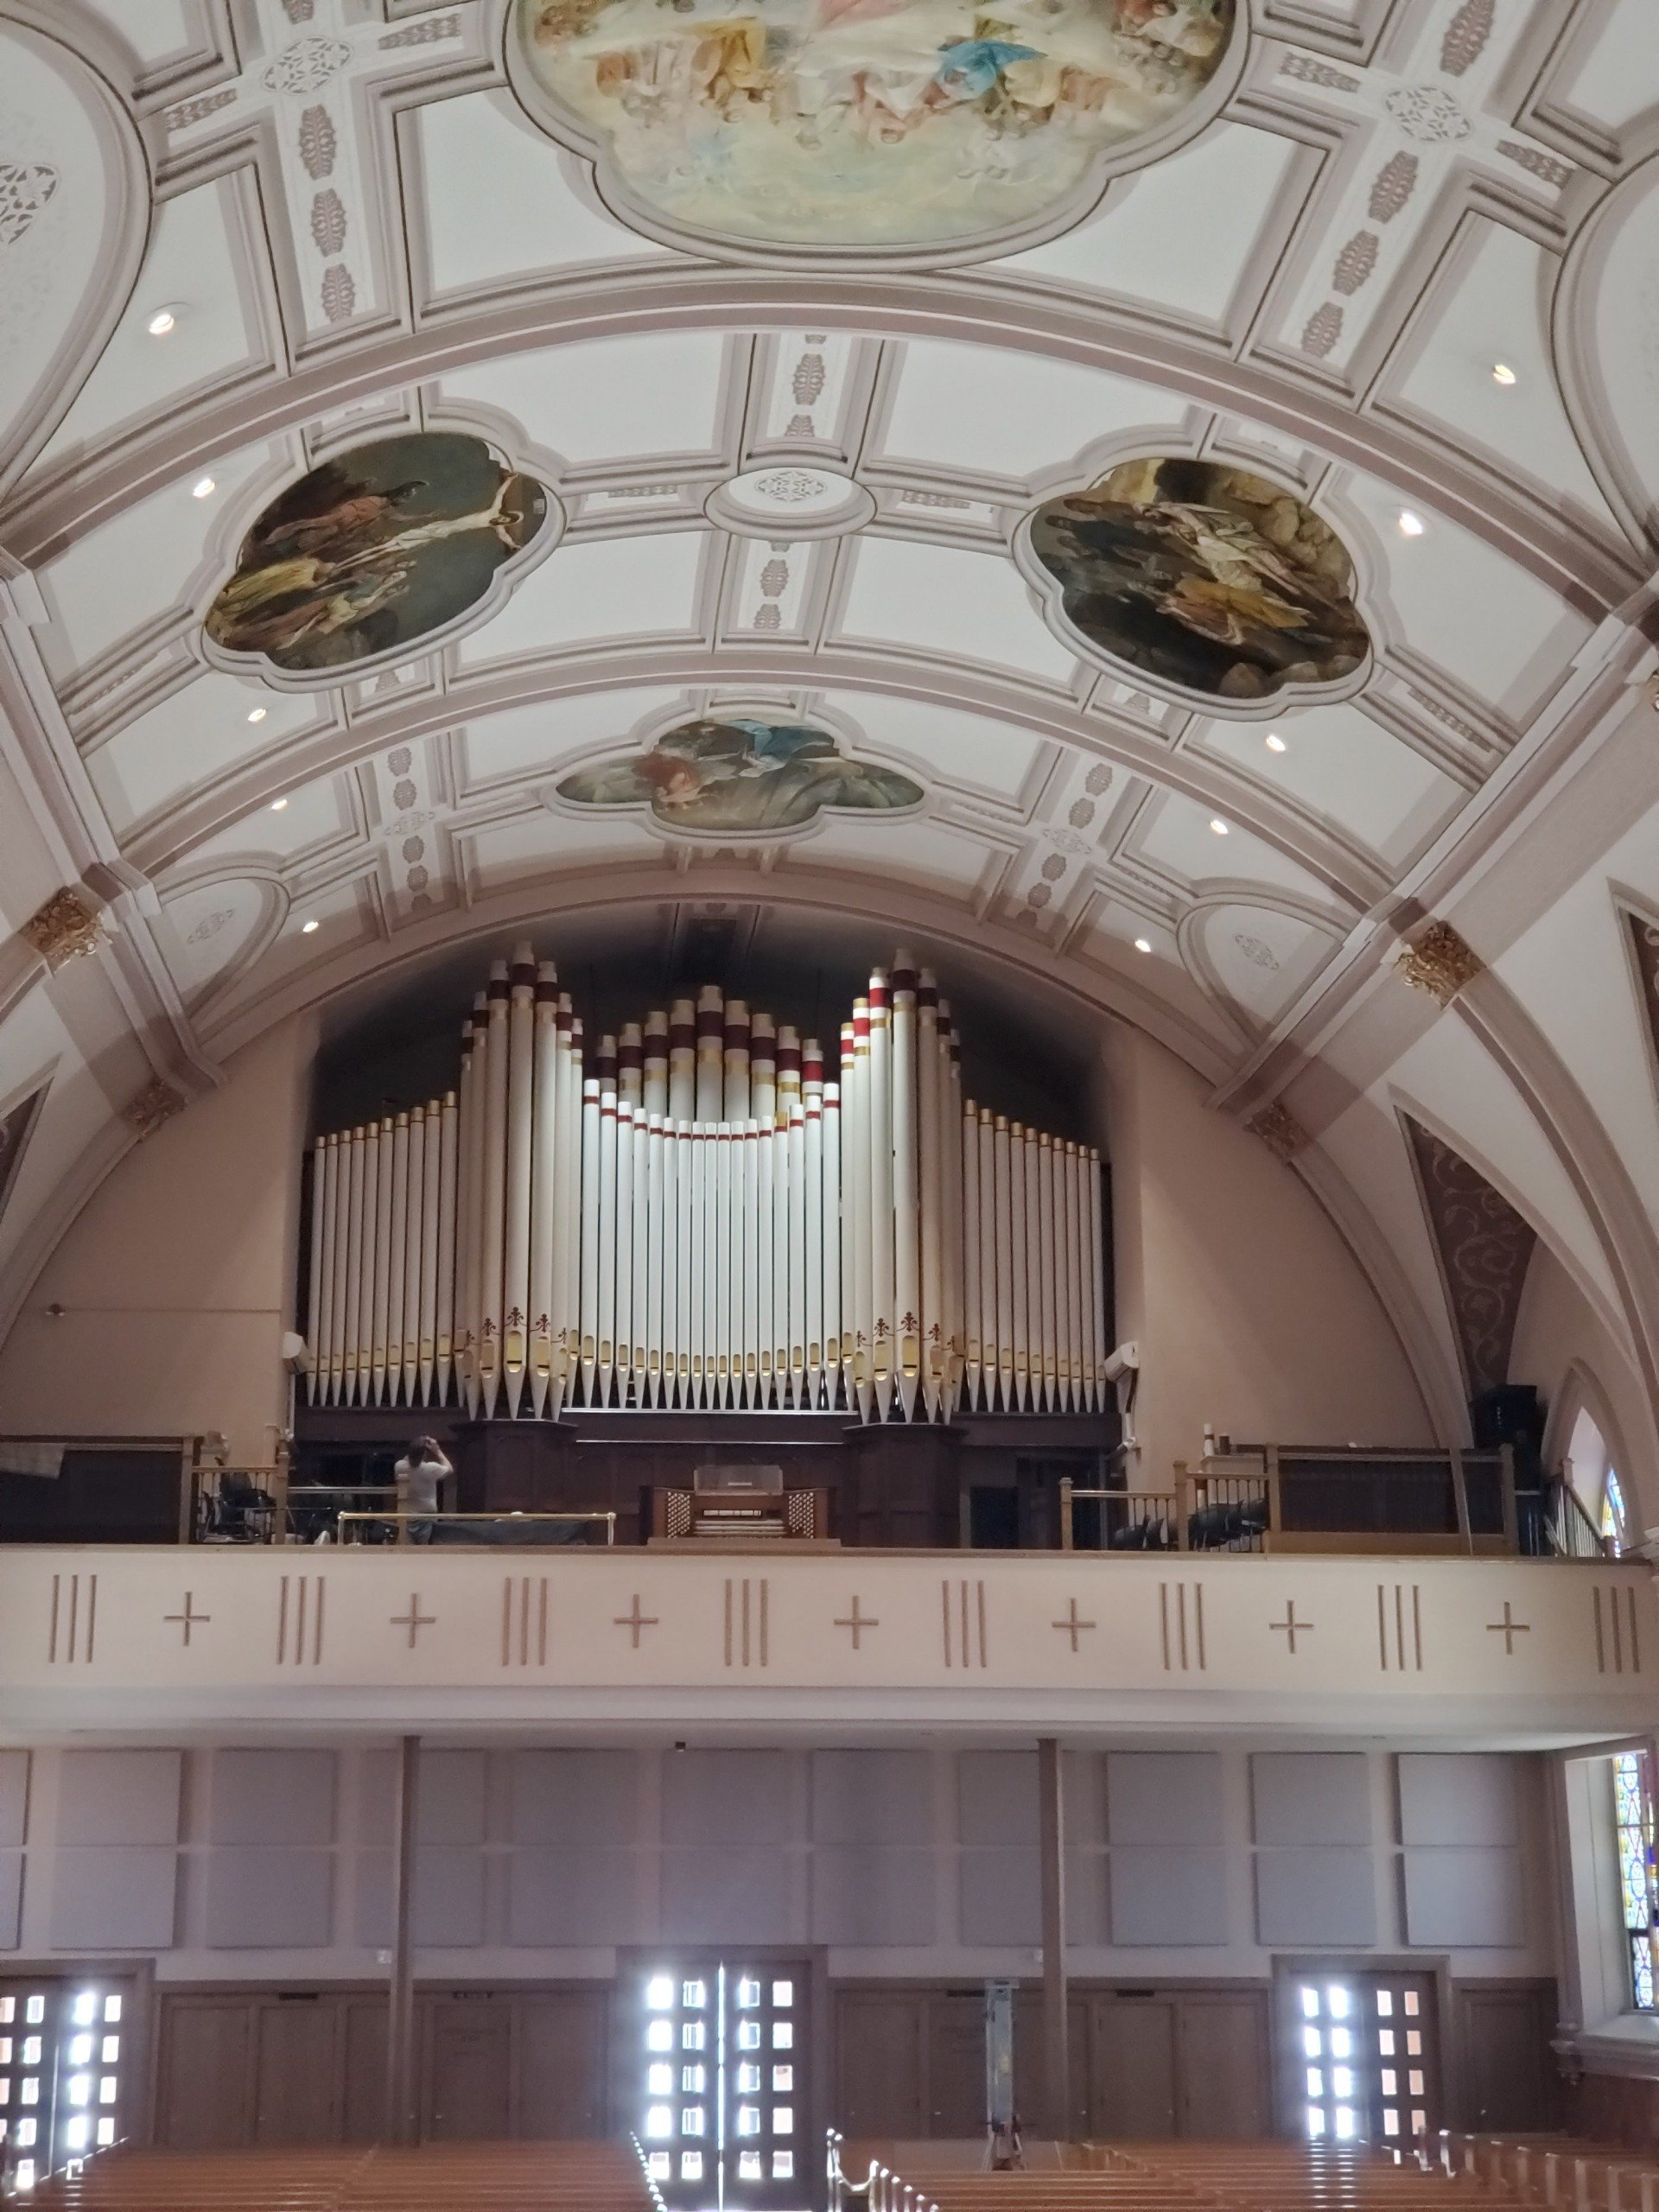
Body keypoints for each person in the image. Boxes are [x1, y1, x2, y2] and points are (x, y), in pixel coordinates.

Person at [393, 1436, 453, 1544]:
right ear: (424, 1455)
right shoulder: (430, 1468)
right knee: (425, 1552)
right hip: (427, 1517)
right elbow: (449, 1469)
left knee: (407, 1553)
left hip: (407, 1517)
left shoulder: (399, 1466)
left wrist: (418, 1444)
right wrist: (437, 1450)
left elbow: (409, 1458)